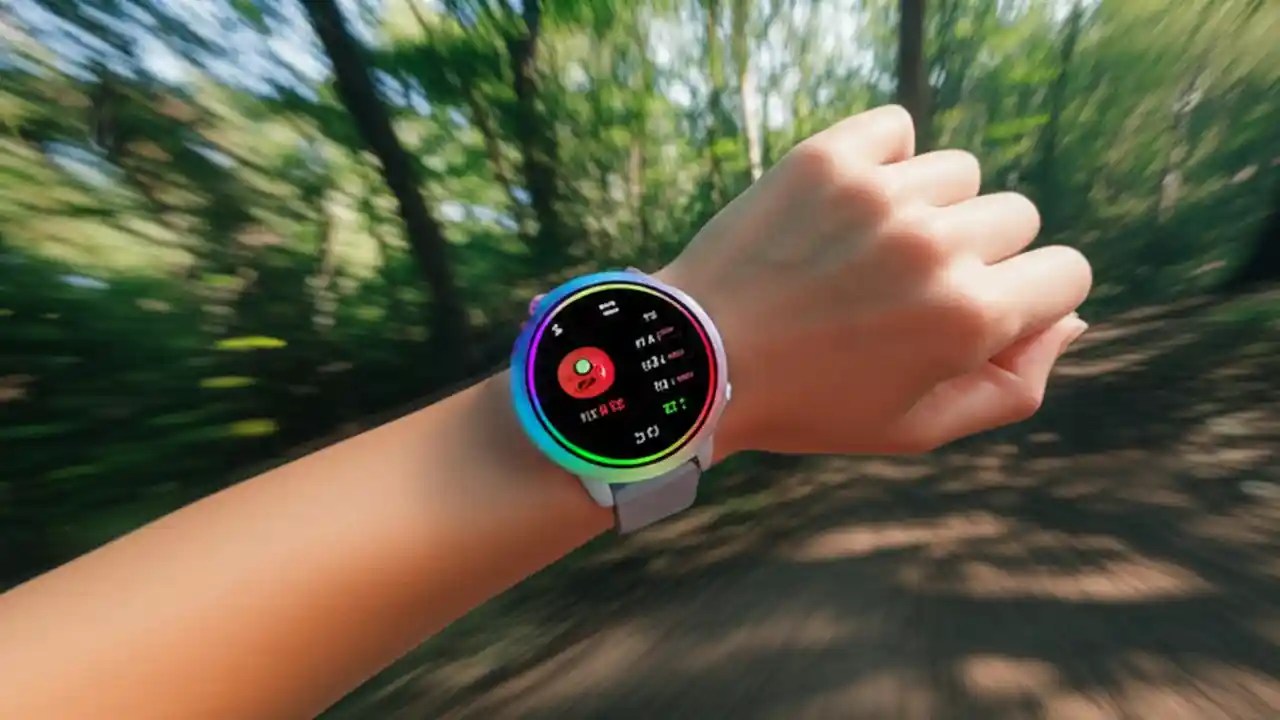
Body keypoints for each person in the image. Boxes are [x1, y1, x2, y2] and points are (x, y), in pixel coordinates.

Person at [0, 106, 1091, 719]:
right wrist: (732, 351)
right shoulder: (599, 368)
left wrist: (722, 351)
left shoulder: (594, 356)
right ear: (554, 324)